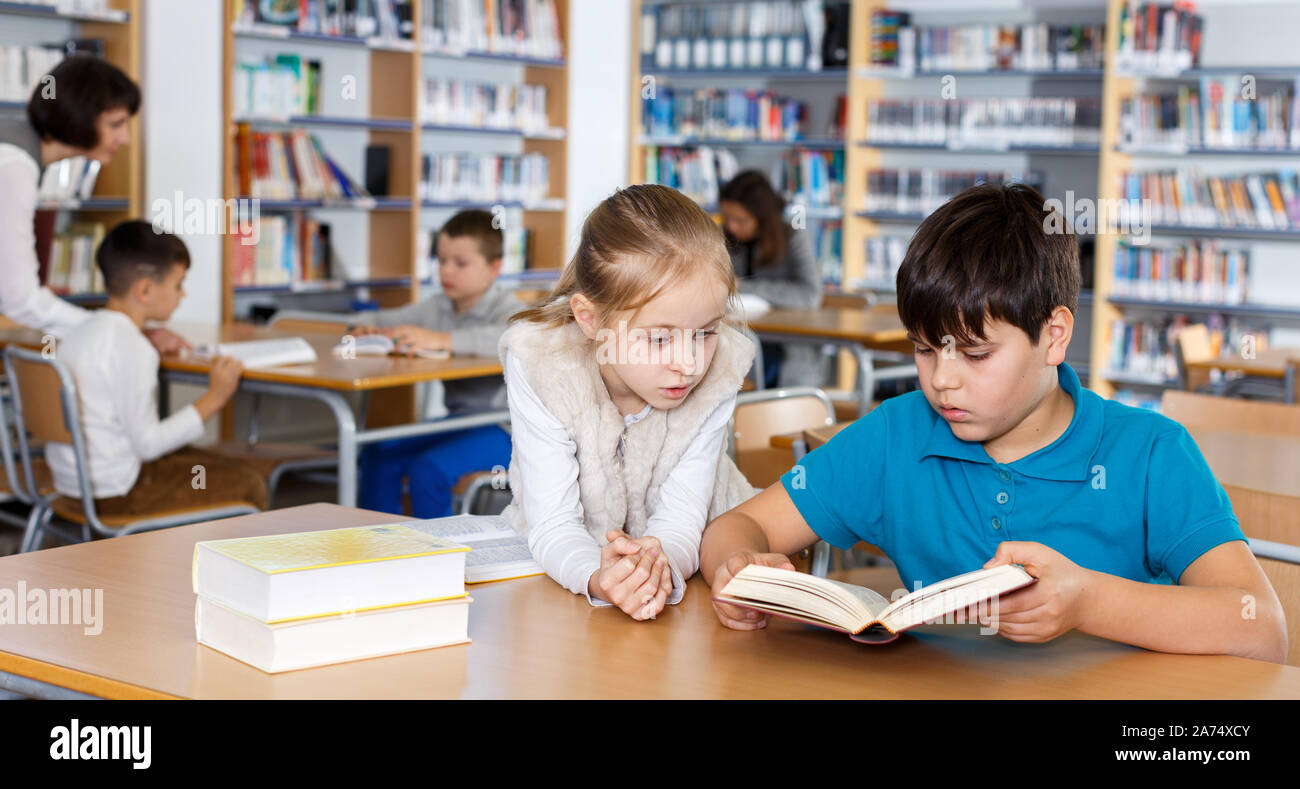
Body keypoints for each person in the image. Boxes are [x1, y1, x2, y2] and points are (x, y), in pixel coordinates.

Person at [699, 182, 1287, 663]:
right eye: (925, 350)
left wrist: (1086, 602)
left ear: (1054, 336)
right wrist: (742, 568)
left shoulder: (1152, 452)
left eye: (975, 354)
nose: (942, 380)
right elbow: (738, 526)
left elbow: (1261, 627)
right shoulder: (896, 434)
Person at [499, 184, 758, 621]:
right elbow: (554, 524)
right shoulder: (543, 364)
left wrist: (656, 569)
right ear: (591, 320)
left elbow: (682, 520)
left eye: (706, 332)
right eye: (658, 338)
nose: (689, 364)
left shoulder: (720, 370)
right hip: (570, 589)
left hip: (699, 580)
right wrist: (598, 577)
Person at [46, 221, 267, 517]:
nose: (182, 295)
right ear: (146, 290)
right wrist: (215, 398)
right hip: (118, 494)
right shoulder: (133, 349)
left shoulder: (79, 333)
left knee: (205, 461)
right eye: (178, 285)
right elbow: (149, 446)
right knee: (250, 483)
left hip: (72, 485)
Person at [0, 56, 186, 354]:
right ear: (79, 118)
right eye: (115, 125)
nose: (124, 138)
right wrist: (121, 329)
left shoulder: (15, 152)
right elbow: (20, 300)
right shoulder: (14, 167)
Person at [350, 209, 518, 518]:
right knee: (378, 454)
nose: (446, 272)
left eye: (460, 263)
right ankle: (377, 548)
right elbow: (384, 318)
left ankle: (439, 560)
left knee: (428, 469)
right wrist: (366, 327)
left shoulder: (511, 310)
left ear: (494, 268)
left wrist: (441, 340)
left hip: (507, 430)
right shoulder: (437, 307)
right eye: (441, 261)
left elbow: (511, 335)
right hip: (457, 422)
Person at [718, 170, 823, 387]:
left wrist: (745, 286)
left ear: (762, 217)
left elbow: (810, 294)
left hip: (786, 345)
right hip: (741, 335)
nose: (732, 226)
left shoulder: (793, 239)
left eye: (740, 220)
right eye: (727, 218)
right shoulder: (725, 239)